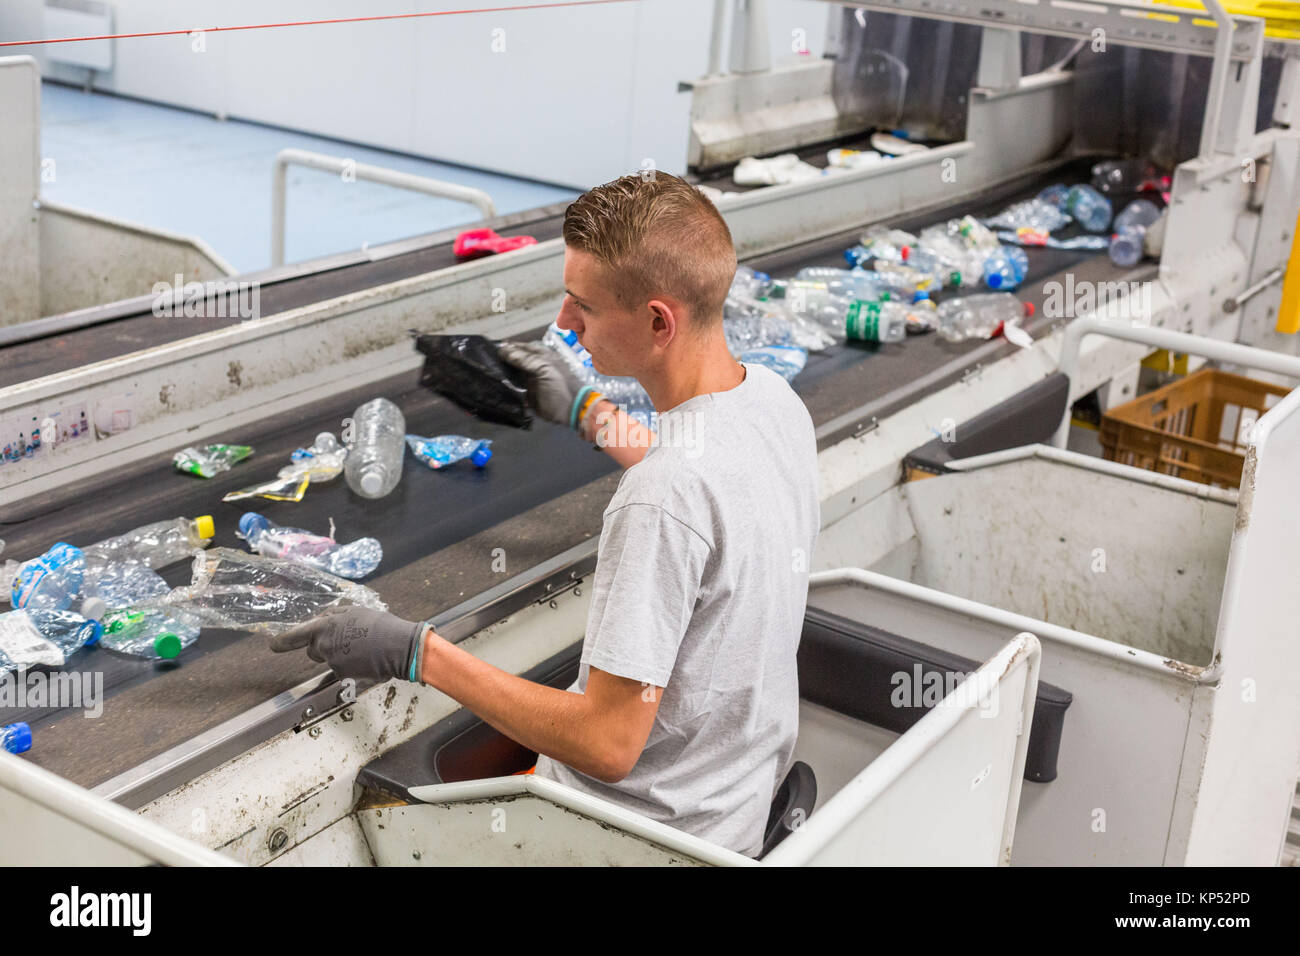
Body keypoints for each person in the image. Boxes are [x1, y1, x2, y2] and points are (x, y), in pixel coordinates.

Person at [271, 171, 820, 857]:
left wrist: (419, 653)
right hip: (730, 816)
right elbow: (709, 484)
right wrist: (588, 411)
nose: (564, 324)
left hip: (628, 845)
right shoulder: (772, 402)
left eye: (581, 305)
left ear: (658, 321)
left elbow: (607, 743)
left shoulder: (660, 500)